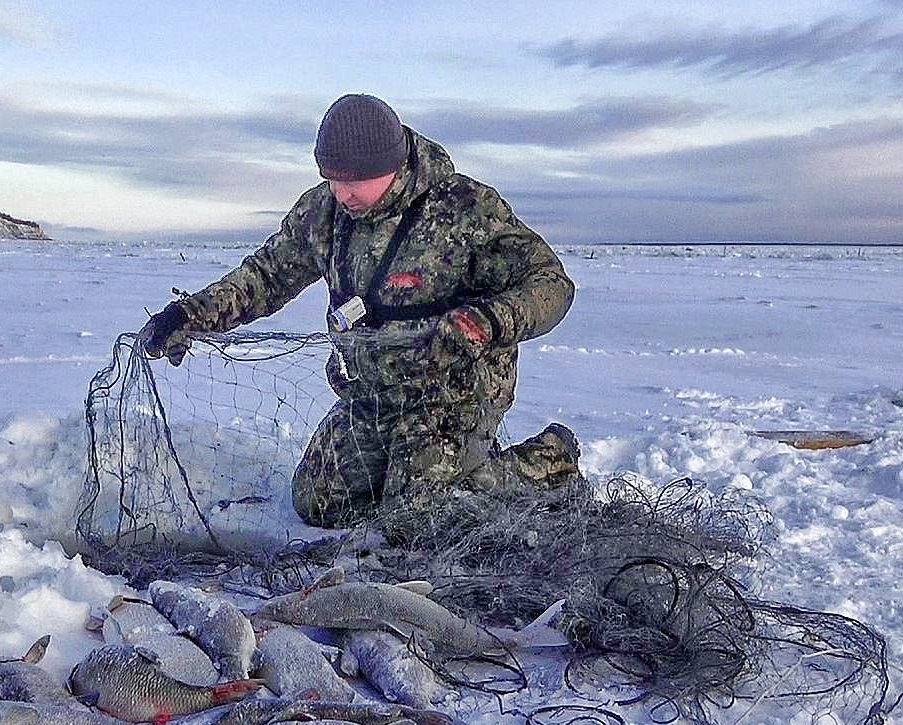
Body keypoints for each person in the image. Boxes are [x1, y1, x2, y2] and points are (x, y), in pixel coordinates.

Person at [137, 93, 579, 528]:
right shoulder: (323, 212)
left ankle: (545, 462)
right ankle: (421, 486)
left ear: (391, 165)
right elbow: (265, 277)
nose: (341, 192)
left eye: (353, 180)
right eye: (331, 177)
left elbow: (551, 285)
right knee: (317, 503)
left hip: (452, 397)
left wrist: (487, 322)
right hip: (369, 395)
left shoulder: (464, 210)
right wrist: (190, 316)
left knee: (419, 523)